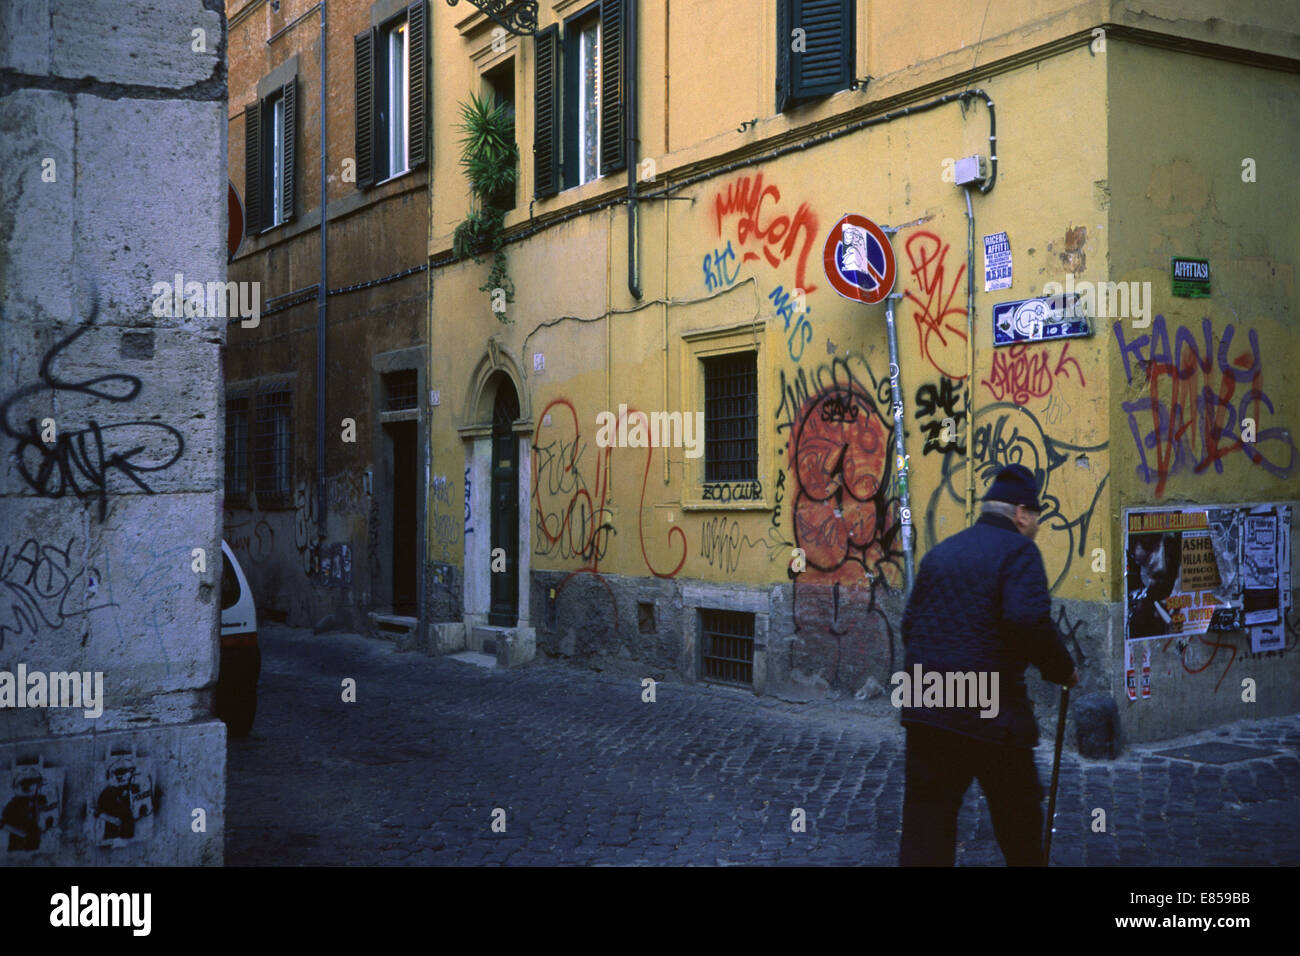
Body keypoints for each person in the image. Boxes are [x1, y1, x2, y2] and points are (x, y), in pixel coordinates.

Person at [898, 463, 1078, 866]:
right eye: (1035, 518)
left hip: (926, 703)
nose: (1035, 527)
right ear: (1021, 513)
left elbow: (909, 625)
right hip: (991, 711)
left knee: (926, 826)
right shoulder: (1019, 552)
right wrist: (1062, 670)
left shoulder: (942, 552)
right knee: (1019, 822)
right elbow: (1026, 620)